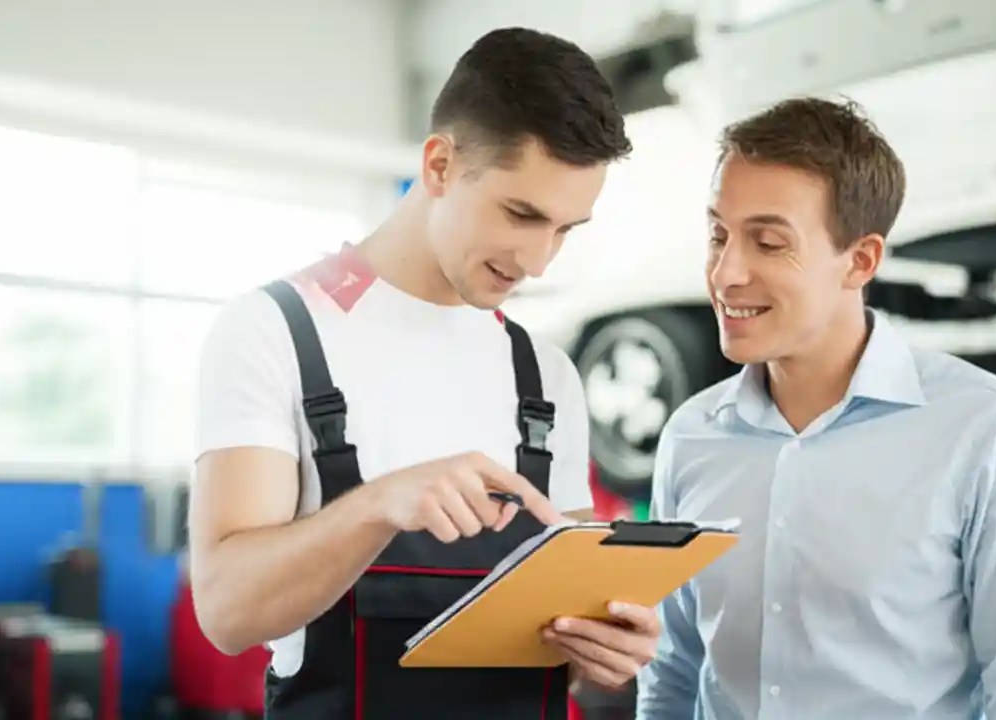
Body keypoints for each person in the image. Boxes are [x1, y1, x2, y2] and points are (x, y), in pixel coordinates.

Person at [189, 27, 661, 720]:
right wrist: (380, 504)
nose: (539, 261)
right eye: (520, 213)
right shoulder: (274, 332)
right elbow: (227, 610)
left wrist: (610, 659)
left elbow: (574, 653)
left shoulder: (546, 375)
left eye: (565, 229)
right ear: (439, 165)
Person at [636, 97, 996, 719]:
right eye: (718, 234)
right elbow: (671, 672)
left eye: (769, 243)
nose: (726, 272)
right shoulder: (691, 437)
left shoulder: (988, 432)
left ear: (861, 260)